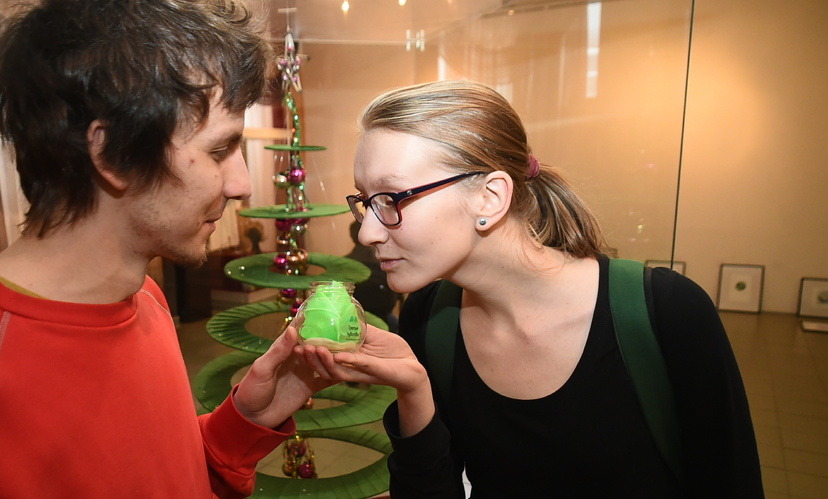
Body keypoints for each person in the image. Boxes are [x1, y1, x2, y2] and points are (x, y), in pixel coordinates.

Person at [0, 1, 334, 497]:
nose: (242, 185)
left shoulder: (145, 302)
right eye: (219, 149)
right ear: (113, 153)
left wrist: (246, 421)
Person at [299, 80, 763, 497]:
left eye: (391, 199)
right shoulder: (428, 317)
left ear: (490, 197)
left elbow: (731, 481)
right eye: (365, 202)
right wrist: (415, 392)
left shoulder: (667, 311)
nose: (367, 233)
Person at [346, 221, 401, 332]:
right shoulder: (385, 262)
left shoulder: (343, 264)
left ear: (352, 236)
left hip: (351, 320)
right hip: (384, 318)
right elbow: (394, 298)